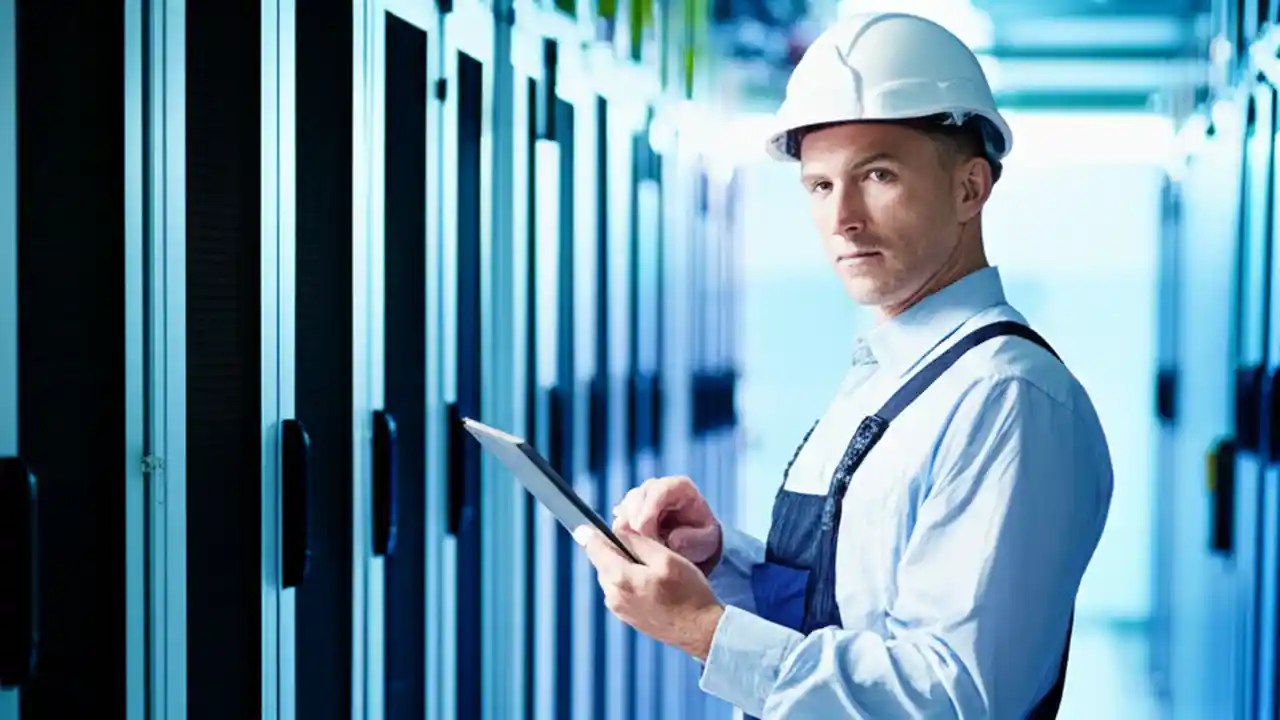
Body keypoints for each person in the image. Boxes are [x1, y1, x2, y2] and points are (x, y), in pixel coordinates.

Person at [575, 11, 1114, 719]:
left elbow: (958, 697)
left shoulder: (1008, 398)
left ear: (970, 189)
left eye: (878, 175)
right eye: (820, 186)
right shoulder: (892, 371)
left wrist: (705, 634)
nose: (843, 219)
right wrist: (720, 564)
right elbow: (849, 612)